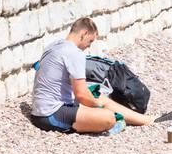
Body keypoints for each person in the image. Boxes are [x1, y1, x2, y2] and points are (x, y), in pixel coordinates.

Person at [28, 17, 159, 133]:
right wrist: (101, 109)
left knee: (98, 96)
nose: (88, 46)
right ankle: (115, 122)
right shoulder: (74, 53)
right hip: (50, 115)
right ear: (84, 33)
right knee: (109, 118)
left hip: (40, 110)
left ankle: (146, 120)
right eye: (90, 41)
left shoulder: (53, 46)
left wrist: (98, 102)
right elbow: (81, 95)